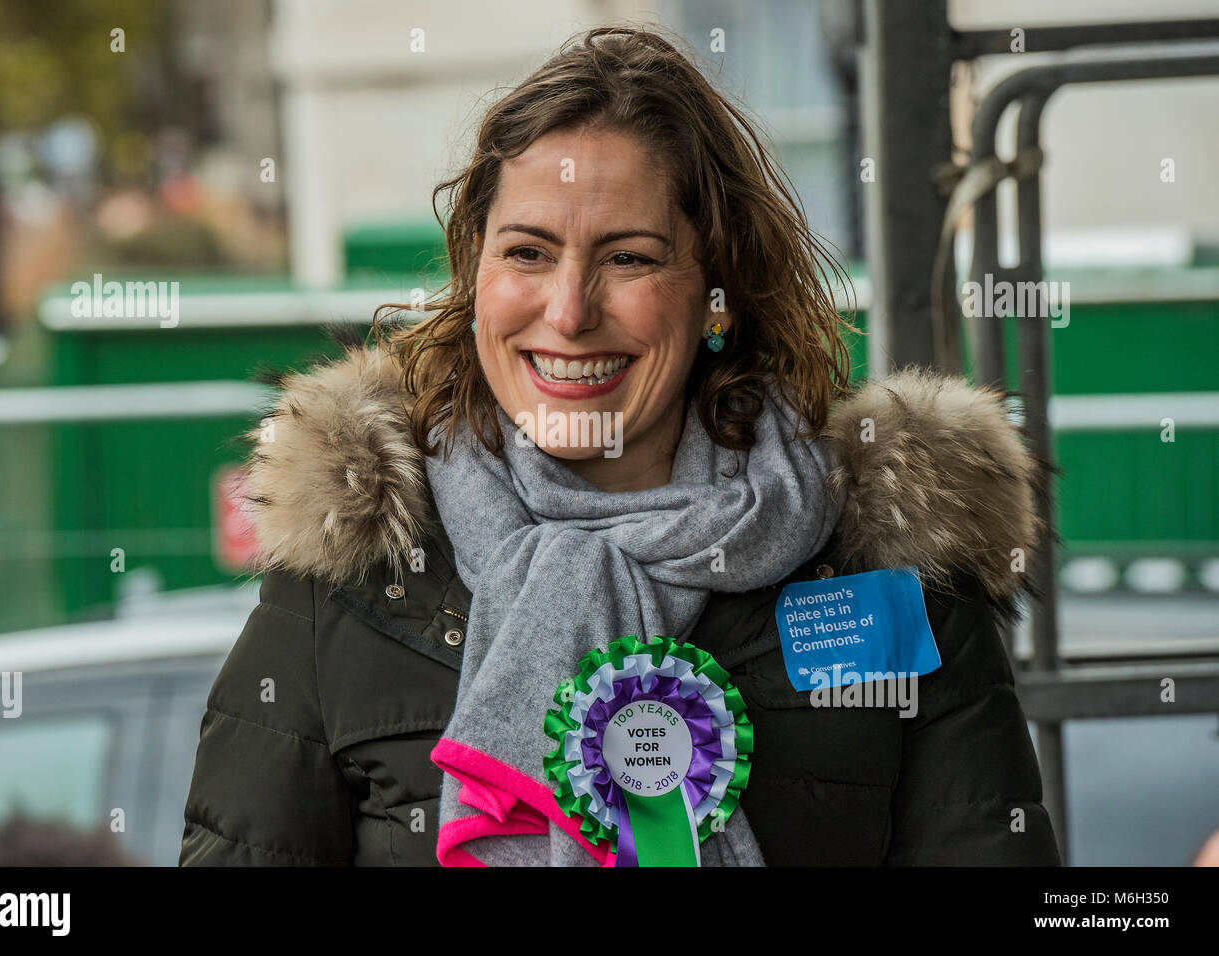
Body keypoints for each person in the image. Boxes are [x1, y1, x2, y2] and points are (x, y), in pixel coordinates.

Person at [180, 25, 1060, 867]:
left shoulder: (887, 569)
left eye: (630, 259)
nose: (568, 312)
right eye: (527, 253)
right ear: (476, 279)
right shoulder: (349, 575)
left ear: (719, 298)